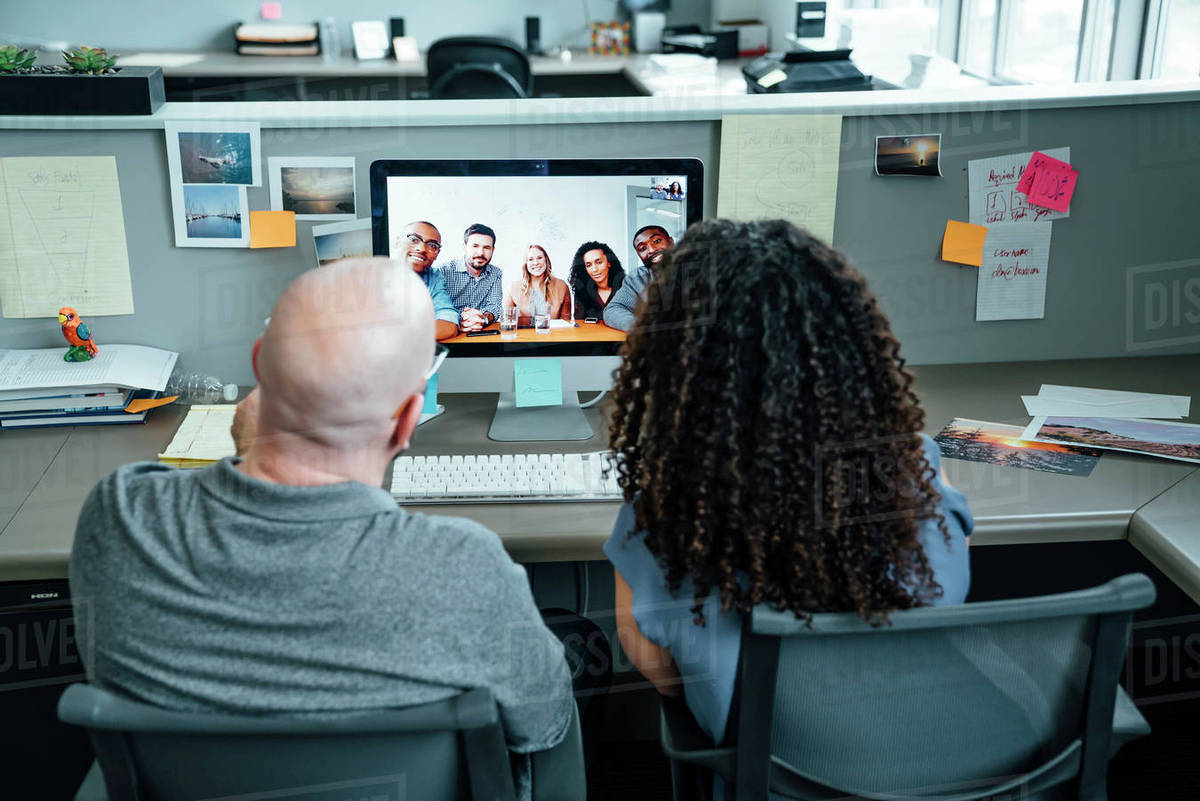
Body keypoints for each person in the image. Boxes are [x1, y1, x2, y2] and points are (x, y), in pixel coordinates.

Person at [69, 259, 575, 798]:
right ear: (408, 418)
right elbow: (541, 724)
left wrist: (253, 452)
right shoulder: (467, 566)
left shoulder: (121, 516)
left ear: (259, 364)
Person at [603, 219, 972, 757]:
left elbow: (664, 679)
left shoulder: (658, 519)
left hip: (772, 775)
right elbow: (950, 586)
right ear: (848, 345)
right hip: (937, 759)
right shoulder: (916, 468)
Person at [602, 225, 674, 332]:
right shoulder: (637, 278)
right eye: (642, 249)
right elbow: (612, 310)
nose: (651, 250)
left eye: (657, 241)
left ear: (671, 242)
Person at [397, 220, 458, 341]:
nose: (421, 249)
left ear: (437, 253)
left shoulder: (434, 277)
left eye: (432, 245)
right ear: (398, 242)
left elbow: (449, 323)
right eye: (414, 239)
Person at [439, 223, 504, 333]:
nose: (480, 253)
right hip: (449, 332)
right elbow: (438, 309)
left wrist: (483, 319)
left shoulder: (495, 273)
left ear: (493, 250)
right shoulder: (443, 271)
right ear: (464, 247)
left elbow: (494, 306)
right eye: (475, 246)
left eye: (487, 247)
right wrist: (462, 319)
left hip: (480, 332)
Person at [504, 244, 572, 324]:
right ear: (526, 264)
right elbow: (507, 321)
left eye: (540, 258)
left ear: (546, 260)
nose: (536, 263)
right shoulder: (513, 288)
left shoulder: (562, 286)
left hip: (553, 332)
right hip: (524, 332)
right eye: (530, 259)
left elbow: (566, 321)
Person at [569, 241, 625, 322]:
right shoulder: (582, 292)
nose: (594, 269)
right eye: (588, 265)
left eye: (599, 262)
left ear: (609, 263)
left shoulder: (626, 288)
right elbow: (580, 323)